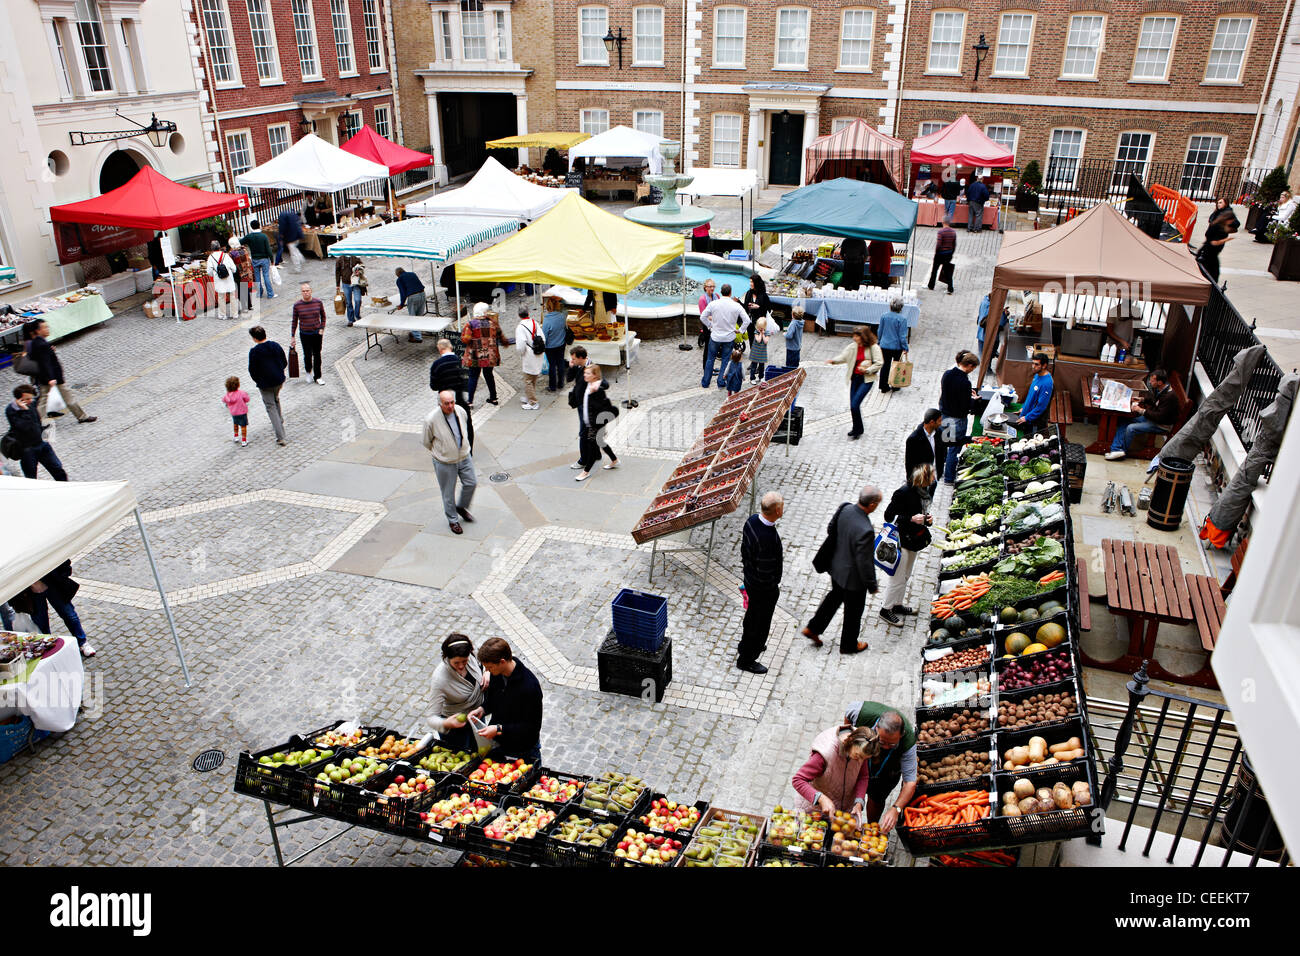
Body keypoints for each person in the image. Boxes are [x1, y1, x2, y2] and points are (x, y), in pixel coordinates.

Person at [802, 484, 882, 655]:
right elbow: (864, 562)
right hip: (852, 579)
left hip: (835, 568)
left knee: (834, 597)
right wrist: (871, 584)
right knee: (853, 612)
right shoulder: (866, 530)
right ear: (872, 504)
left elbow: (831, 529)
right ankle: (848, 645)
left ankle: (813, 628)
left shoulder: (845, 508)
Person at [844, 703, 918, 831]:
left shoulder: (908, 743)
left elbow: (910, 783)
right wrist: (848, 737)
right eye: (882, 742)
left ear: (901, 734)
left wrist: (896, 809)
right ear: (876, 728)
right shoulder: (862, 713)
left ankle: (872, 828)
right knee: (849, 789)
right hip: (861, 758)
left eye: (892, 744)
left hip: (888, 771)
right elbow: (848, 714)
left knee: (877, 798)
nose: (885, 747)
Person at [472, 637, 543, 764]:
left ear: (502, 662)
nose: (487, 671)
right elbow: (493, 700)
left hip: (523, 750)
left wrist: (499, 729)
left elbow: (531, 728)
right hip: (499, 745)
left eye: (489, 667)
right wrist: (483, 709)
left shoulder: (530, 687)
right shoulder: (497, 674)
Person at [880, 464, 935, 625]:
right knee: (897, 578)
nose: (934, 479)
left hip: (914, 540)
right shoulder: (903, 492)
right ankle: (885, 609)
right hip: (901, 540)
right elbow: (889, 516)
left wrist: (927, 520)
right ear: (924, 478)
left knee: (905, 575)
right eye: (932, 476)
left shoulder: (923, 492)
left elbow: (922, 514)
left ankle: (897, 605)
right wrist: (911, 518)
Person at [791, 724, 881, 817]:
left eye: (864, 759)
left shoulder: (864, 745)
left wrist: (858, 802)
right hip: (814, 811)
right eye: (858, 756)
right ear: (850, 741)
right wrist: (821, 798)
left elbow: (863, 776)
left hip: (841, 810)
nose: (860, 761)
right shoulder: (825, 753)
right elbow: (798, 780)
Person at [738, 491, 783, 674]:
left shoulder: (752, 521)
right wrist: (772, 586)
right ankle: (747, 658)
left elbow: (745, 552)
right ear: (778, 510)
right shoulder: (767, 538)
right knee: (760, 623)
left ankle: (746, 646)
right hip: (762, 588)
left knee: (751, 618)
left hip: (750, 580)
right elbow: (766, 571)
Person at [10, 561, 94, 658]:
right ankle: (48, 647)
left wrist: (62, 573)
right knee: (41, 620)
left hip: (52, 580)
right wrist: (32, 584)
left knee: (69, 614)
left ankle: (82, 642)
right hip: (30, 588)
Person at [422, 389, 477, 534]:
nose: (450, 406)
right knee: (448, 493)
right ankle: (453, 520)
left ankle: (461, 507)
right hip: (445, 462)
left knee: (471, 483)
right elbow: (426, 441)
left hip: (464, 457)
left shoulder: (460, 411)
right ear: (440, 404)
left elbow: (465, 429)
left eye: (452, 402)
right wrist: (443, 452)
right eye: (447, 403)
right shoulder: (431, 420)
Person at [23, 320, 96, 424]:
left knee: (44, 400)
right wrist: (50, 378)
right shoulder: (40, 344)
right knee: (66, 398)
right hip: (51, 377)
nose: (47, 329)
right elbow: (45, 363)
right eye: (44, 327)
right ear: (38, 330)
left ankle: (38, 422)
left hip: (46, 377)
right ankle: (82, 417)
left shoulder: (38, 342)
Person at [428, 633, 488, 753]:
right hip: (455, 727)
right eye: (456, 663)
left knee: (483, 752)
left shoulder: (471, 657)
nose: (461, 666)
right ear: (446, 658)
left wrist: (487, 671)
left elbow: (483, 664)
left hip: (477, 717)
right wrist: (446, 723)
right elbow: (431, 718)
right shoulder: (440, 679)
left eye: (464, 661)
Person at [1106, 368, 1180, 460]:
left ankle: (1122, 451)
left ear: (1160, 382)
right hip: (1153, 418)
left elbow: (1160, 417)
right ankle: (1117, 449)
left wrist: (1141, 410)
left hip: (1161, 424)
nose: (1150, 382)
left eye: (1152, 380)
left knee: (1131, 428)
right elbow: (1154, 401)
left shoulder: (1169, 397)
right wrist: (1142, 399)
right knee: (1124, 421)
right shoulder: (1161, 389)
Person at [828, 326, 882, 440]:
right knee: (853, 406)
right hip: (855, 378)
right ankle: (857, 428)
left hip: (866, 379)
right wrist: (834, 361)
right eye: (854, 336)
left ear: (864, 337)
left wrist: (867, 370)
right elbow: (844, 356)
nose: (854, 338)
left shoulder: (874, 348)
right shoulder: (853, 347)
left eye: (857, 336)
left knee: (855, 404)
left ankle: (857, 429)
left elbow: (879, 363)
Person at [6, 384, 66, 480]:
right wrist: (25, 411)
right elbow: (23, 427)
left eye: (31, 398)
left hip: (42, 443)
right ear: (20, 399)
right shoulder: (11, 410)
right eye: (28, 398)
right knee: (31, 478)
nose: (31, 400)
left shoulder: (31, 404)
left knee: (57, 469)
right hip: (27, 449)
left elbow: (37, 420)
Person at [571, 364, 619, 482]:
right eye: (585, 373)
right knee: (600, 442)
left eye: (588, 374)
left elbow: (600, 407)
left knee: (592, 447)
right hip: (590, 422)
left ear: (595, 376)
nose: (585, 375)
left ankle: (585, 472)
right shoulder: (589, 384)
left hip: (596, 424)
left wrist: (594, 392)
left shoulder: (597, 390)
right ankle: (614, 460)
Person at [939, 350, 979, 483]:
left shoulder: (947, 374)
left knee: (945, 444)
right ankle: (949, 478)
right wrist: (974, 399)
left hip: (945, 415)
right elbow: (965, 405)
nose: (972, 370)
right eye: (973, 368)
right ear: (969, 365)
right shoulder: (965, 383)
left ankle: (941, 469)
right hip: (957, 419)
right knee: (954, 449)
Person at [699, 283, 749, 389]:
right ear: (730, 293)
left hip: (715, 336)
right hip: (729, 337)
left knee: (710, 359)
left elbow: (703, 316)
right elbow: (747, 320)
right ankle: (721, 381)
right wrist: (740, 330)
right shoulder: (736, 305)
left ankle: (705, 382)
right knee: (725, 360)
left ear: (721, 292)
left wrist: (710, 325)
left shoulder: (714, 304)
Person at [247, 326, 288, 446]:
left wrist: (258, 380)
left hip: (265, 384)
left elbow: (252, 370)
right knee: (275, 400)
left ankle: (280, 435)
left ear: (254, 338)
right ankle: (279, 420)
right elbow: (284, 362)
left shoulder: (254, 352)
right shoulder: (275, 345)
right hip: (278, 380)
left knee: (270, 407)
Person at [461, 303, 510, 405]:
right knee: (488, 375)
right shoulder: (493, 323)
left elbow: (465, 339)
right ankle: (493, 398)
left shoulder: (470, 324)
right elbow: (501, 337)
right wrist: (505, 343)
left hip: (475, 356)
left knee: (473, 376)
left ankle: (470, 401)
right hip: (490, 356)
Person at [429, 338, 473, 450]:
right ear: (451, 347)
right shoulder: (460, 361)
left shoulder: (436, 365)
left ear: (440, 350)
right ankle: (469, 450)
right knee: (466, 424)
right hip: (460, 398)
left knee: (445, 426)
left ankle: (450, 449)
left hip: (444, 401)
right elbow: (467, 381)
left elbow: (433, 386)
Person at [291, 282, 327, 384]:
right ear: (301, 293)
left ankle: (318, 376)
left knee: (317, 354)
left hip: (316, 333)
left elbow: (323, 316)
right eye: (303, 291)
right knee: (307, 354)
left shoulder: (318, 302)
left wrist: (322, 328)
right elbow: (294, 321)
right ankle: (308, 371)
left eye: (307, 291)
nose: (306, 293)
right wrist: (292, 336)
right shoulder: (297, 305)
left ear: (311, 291)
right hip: (305, 334)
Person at [514, 306, 545, 410]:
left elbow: (521, 345)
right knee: (533, 377)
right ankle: (529, 396)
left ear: (519, 315)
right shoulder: (534, 322)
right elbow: (543, 337)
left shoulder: (520, 327)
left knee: (528, 380)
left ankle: (532, 402)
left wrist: (521, 353)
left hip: (529, 355)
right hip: (538, 352)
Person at [877, 295, 909, 392]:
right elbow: (902, 336)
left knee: (885, 365)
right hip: (896, 346)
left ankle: (883, 386)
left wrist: (879, 341)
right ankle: (895, 385)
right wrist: (905, 347)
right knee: (897, 365)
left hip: (885, 345)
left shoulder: (884, 316)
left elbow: (880, 331)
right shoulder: (902, 319)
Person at [1016, 352, 1055, 434]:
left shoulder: (1047, 383)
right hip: (1026, 415)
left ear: (1044, 366)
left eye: (1036, 364)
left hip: (1034, 422)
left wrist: (1027, 417)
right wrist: (1024, 408)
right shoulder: (1037, 375)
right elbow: (1031, 396)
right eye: (1033, 363)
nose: (1033, 366)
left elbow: (1041, 406)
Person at [1198, 212, 1237, 285]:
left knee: (1211, 272)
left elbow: (1207, 235)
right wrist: (1227, 239)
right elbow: (1214, 242)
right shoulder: (1218, 227)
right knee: (1213, 273)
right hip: (1210, 253)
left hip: (1207, 251)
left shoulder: (1216, 224)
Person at [905, 408, 942, 485]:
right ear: (932, 422)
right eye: (939, 421)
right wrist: (911, 482)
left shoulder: (938, 432)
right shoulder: (913, 439)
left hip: (933, 477)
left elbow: (950, 440)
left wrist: (969, 439)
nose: (941, 423)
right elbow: (909, 464)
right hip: (921, 481)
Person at [541, 296, 569, 392]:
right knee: (560, 363)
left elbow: (544, 335)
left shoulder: (547, 320)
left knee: (552, 365)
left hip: (550, 346)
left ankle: (552, 386)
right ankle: (561, 383)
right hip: (561, 344)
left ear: (547, 307)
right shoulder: (561, 316)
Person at [205, 240, 238, 319]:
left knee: (221, 297)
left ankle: (223, 315)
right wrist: (231, 271)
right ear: (219, 247)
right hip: (228, 277)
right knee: (232, 296)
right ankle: (235, 314)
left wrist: (215, 274)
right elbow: (234, 268)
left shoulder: (210, 257)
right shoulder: (225, 255)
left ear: (212, 248)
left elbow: (209, 272)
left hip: (219, 279)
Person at [241, 220, 275, 300]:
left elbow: (240, 241)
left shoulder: (249, 237)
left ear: (251, 227)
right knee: (266, 276)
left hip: (255, 259)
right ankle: (270, 294)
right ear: (259, 225)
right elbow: (268, 249)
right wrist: (272, 259)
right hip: (264, 259)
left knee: (257, 277)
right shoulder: (264, 236)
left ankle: (259, 294)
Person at [394, 267, 426, 342]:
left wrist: (401, 304)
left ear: (398, 274)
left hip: (413, 297)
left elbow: (403, 293)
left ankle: (417, 337)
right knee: (419, 316)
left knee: (413, 318)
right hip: (422, 294)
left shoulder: (399, 279)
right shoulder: (412, 274)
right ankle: (416, 333)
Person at [976, 293, 1008, 360]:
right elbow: (999, 325)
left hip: (982, 333)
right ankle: (987, 368)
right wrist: (1004, 315)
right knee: (987, 355)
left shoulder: (985, 301)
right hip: (988, 335)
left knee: (984, 353)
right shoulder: (992, 307)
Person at [929, 217, 956, 293]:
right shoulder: (953, 232)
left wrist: (936, 252)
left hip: (940, 254)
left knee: (934, 270)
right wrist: (951, 253)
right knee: (948, 272)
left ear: (943, 222)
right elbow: (954, 244)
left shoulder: (941, 232)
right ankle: (950, 288)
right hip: (948, 254)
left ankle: (931, 285)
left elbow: (939, 244)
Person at [226, 237, 254, 313]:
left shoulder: (231, 254)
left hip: (238, 273)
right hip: (246, 271)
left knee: (240, 290)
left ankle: (244, 306)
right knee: (245, 288)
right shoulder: (244, 250)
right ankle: (249, 305)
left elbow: (230, 264)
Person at [697, 278, 720, 370]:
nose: (712, 288)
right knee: (708, 348)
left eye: (713, 286)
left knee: (714, 348)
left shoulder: (717, 296)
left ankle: (711, 367)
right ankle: (706, 368)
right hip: (708, 327)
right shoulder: (702, 299)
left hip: (716, 325)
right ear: (705, 287)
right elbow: (704, 315)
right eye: (710, 286)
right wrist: (715, 316)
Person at [222, 375, 250, 447]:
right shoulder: (241, 393)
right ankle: (244, 440)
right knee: (243, 426)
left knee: (235, 424)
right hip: (242, 412)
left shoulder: (227, 395)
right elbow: (247, 399)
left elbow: (224, 400)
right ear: (238, 385)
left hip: (234, 413)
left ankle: (236, 436)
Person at [336, 252, 363, 327]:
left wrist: (359, 271)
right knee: (348, 302)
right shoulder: (339, 260)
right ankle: (351, 319)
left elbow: (362, 265)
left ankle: (357, 315)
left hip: (355, 283)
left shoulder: (355, 257)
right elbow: (337, 272)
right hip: (345, 283)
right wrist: (337, 285)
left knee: (358, 300)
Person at [276, 206, 304, 272]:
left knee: (293, 253)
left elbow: (282, 228)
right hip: (296, 235)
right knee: (295, 249)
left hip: (290, 237)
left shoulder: (282, 217)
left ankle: (297, 268)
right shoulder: (293, 215)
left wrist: (281, 236)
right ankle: (301, 259)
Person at [747, 317, 769, 382]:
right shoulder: (756, 332)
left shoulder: (767, 333)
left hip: (762, 352)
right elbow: (758, 340)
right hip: (755, 352)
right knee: (753, 366)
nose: (760, 329)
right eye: (759, 327)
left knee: (761, 366)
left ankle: (761, 377)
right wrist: (761, 334)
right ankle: (752, 378)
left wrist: (763, 334)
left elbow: (765, 341)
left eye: (761, 328)